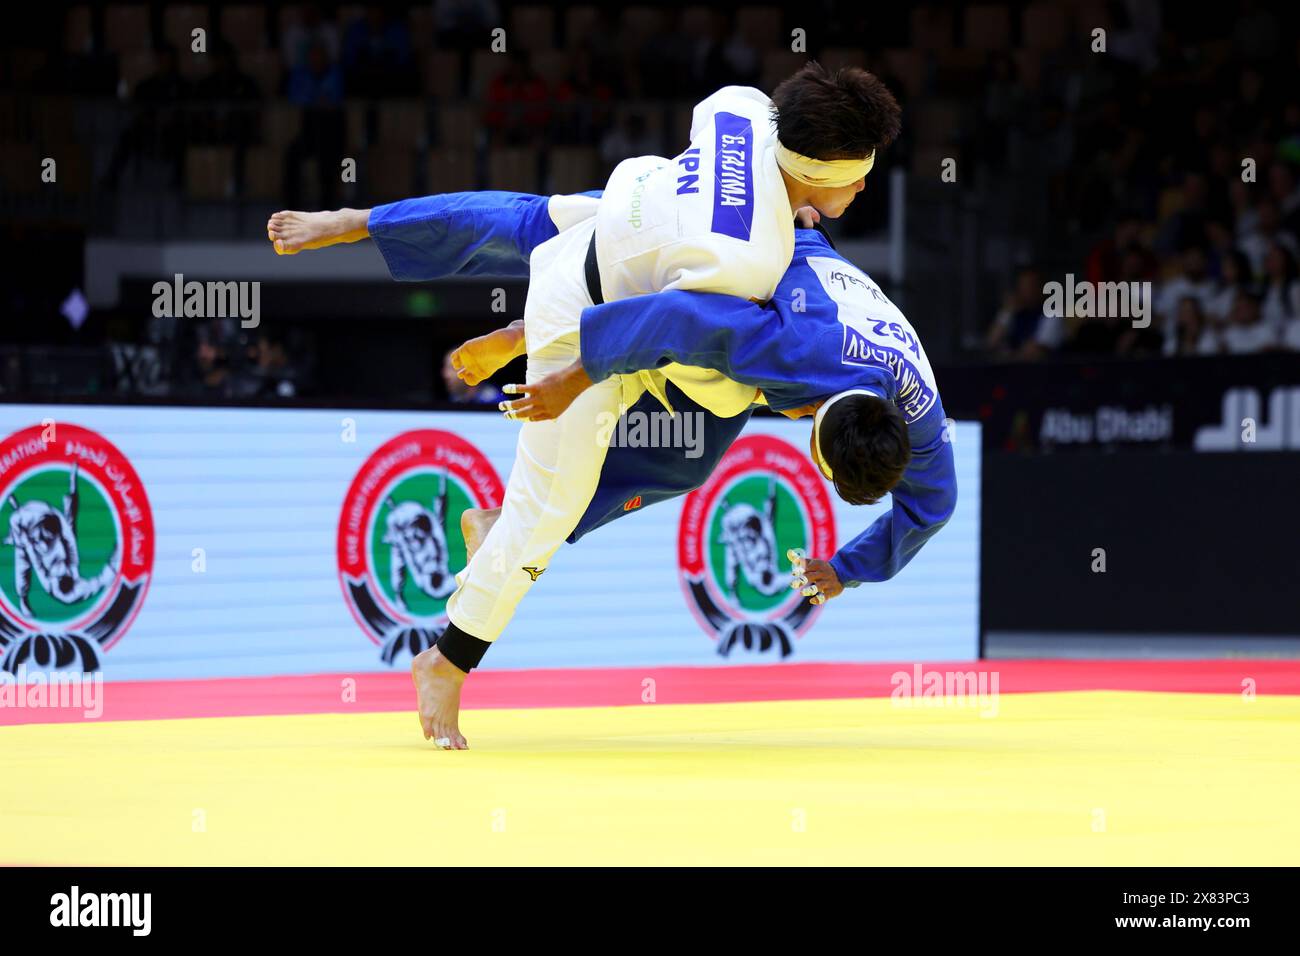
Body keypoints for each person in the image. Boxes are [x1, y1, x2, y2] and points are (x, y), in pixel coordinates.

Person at [268, 65, 903, 749]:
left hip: (613, 220)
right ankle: (446, 661)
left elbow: (729, 180)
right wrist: (567, 374)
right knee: (549, 508)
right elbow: (661, 330)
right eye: (857, 175)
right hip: (588, 321)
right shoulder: (749, 263)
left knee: (519, 219)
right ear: (818, 168)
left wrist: (779, 201)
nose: (863, 187)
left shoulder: (745, 109)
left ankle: (359, 220)